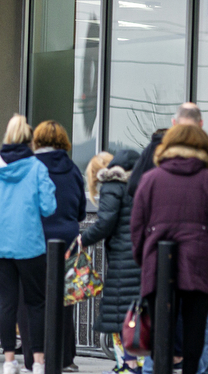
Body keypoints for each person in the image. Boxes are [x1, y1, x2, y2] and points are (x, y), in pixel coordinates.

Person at [131, 124, 208, 374]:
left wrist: (142, 257)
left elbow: (136, 224)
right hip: (200, 262)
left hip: (157, 262)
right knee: (194, 333)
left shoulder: (151, 179)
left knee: (161, 333)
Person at [0, 114, 57, 374]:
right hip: (30, 244)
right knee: (35, 304)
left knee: (6, 303)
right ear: (28, 138)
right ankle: (39, 362)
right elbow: (48, 207)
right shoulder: (37, 167)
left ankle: (9, 361)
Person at [30, 121, 86, 372]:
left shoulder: (31, 167)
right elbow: (81, 210)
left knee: (36, 299)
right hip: (69, 241)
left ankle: (38, 357)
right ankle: (66, 358)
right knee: (66, 299)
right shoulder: (73, 169)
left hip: (36, 240)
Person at [80, 149, 141, 374]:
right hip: (146, 256)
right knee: (139, 313)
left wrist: (82, 239)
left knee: (119, 315)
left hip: (123, 259)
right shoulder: (145, 184)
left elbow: (105, 223)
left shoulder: (113, 186)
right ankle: (139, 362)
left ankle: (127, 363)